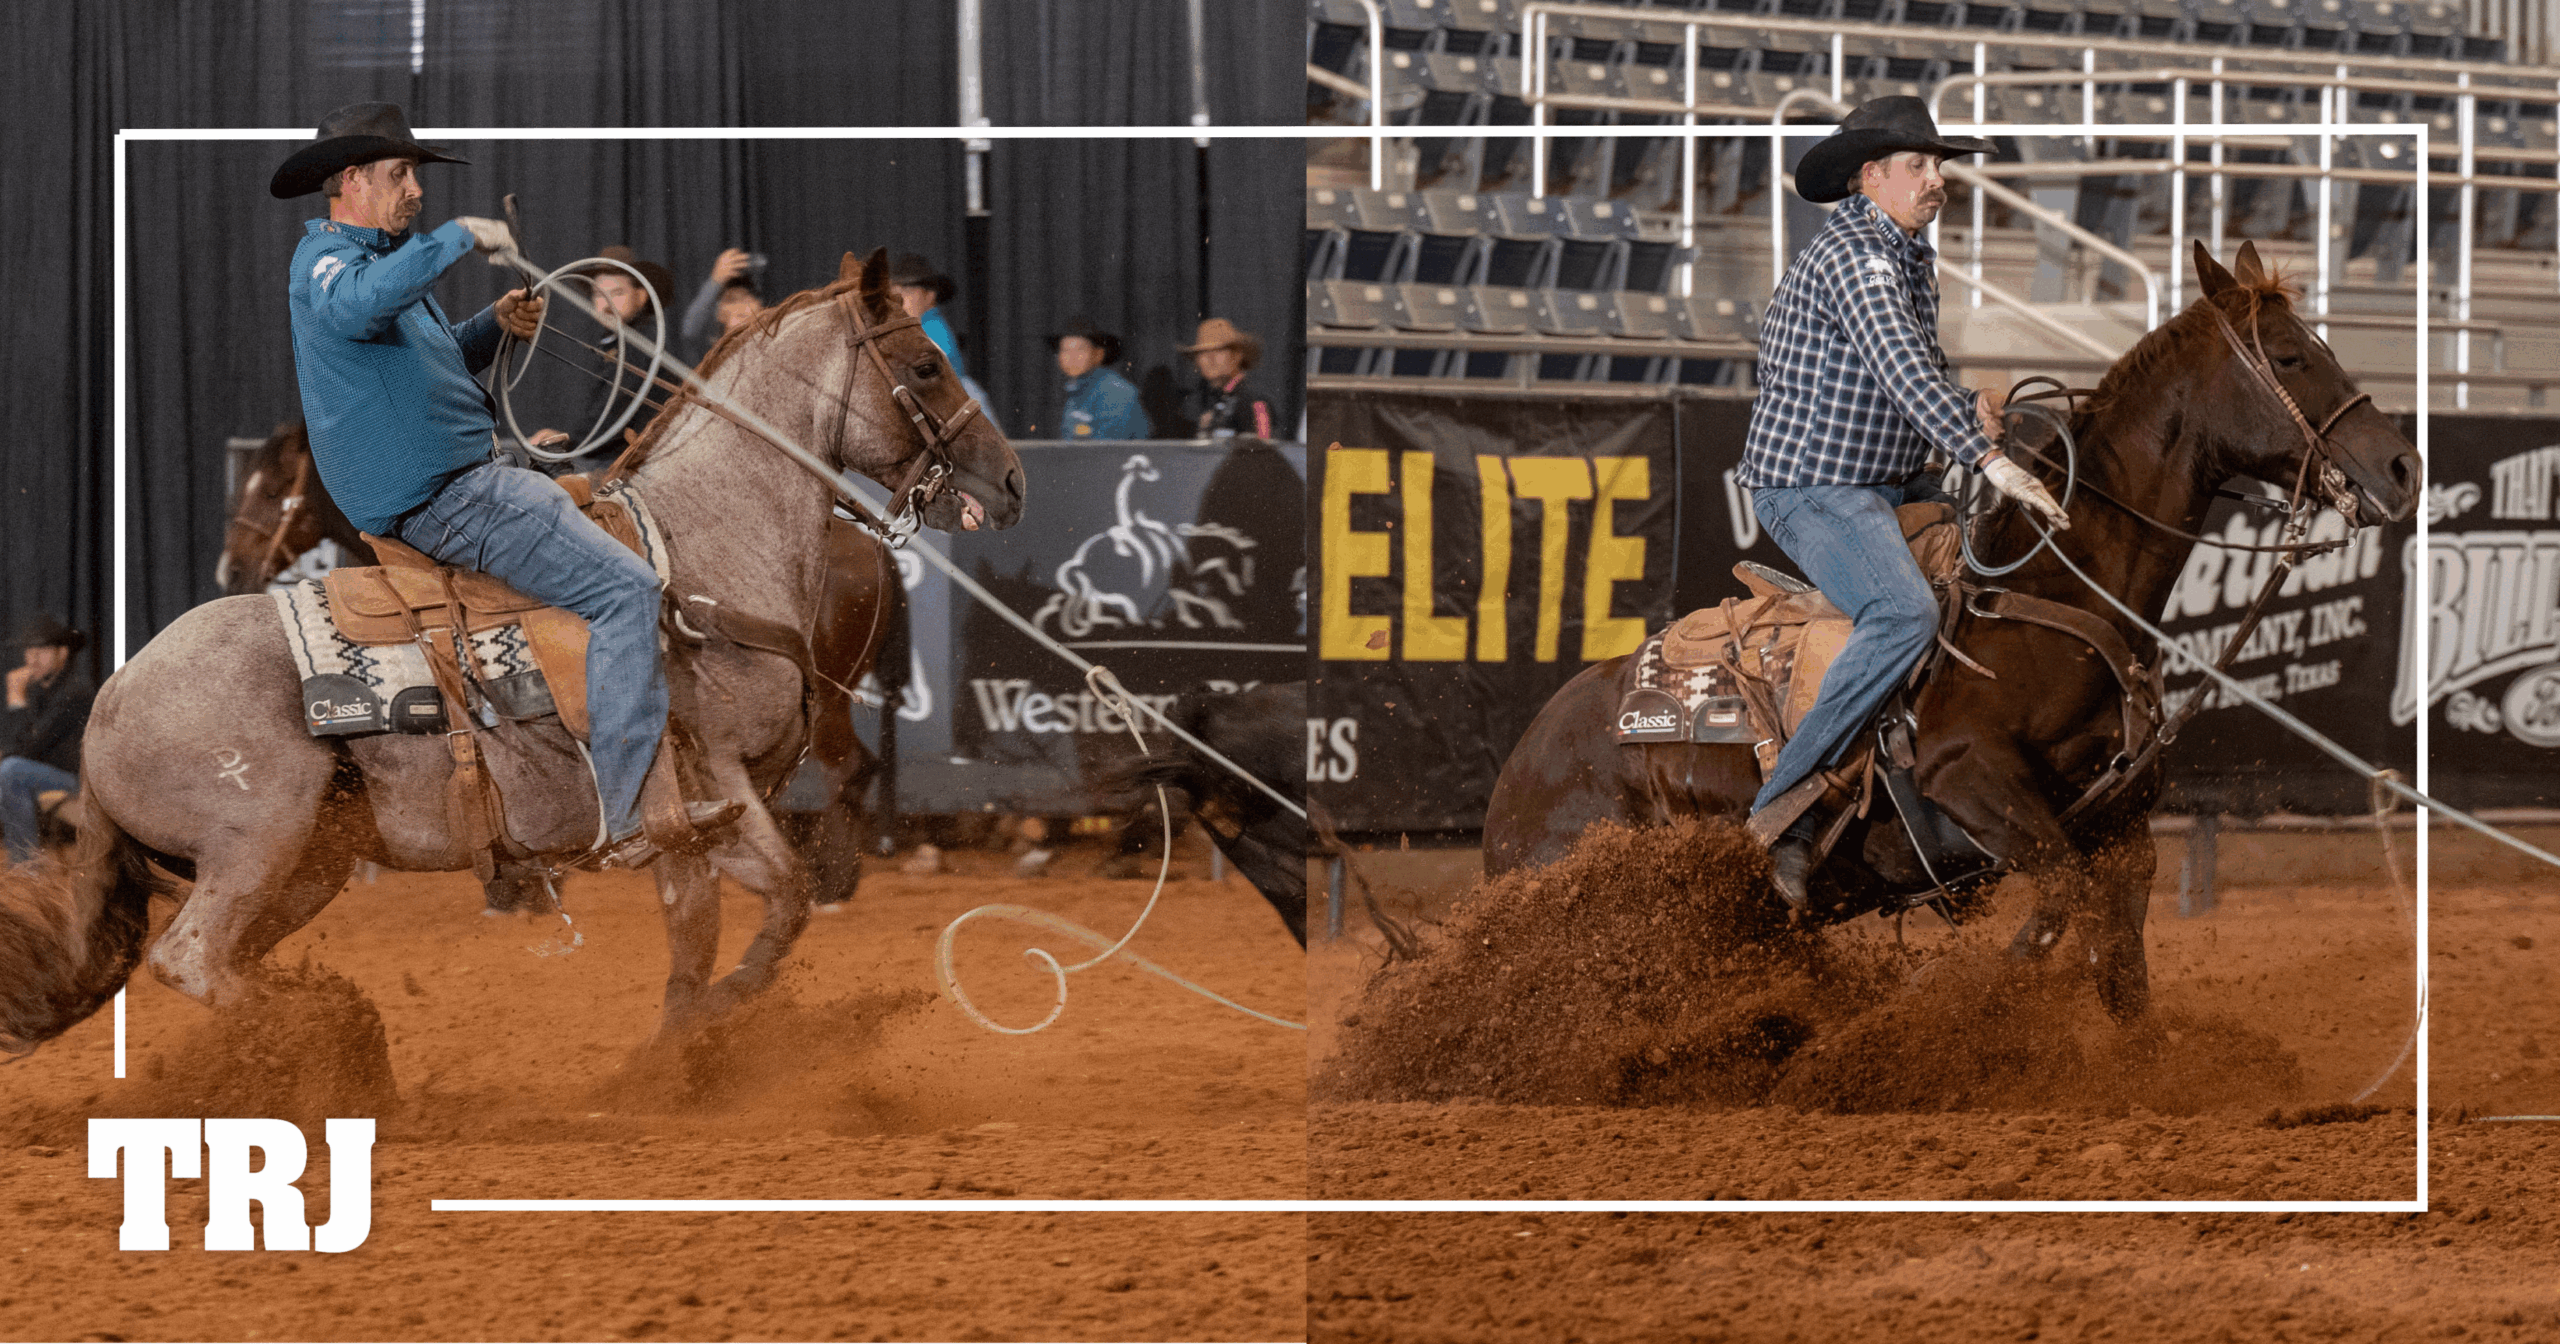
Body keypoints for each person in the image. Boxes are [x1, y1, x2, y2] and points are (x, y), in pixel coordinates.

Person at [271, 101, 736, 869]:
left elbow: (430, 361)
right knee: (626, 590)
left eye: (414, 174)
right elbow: (356, 311)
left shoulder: (378, 263)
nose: (416, 189)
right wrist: (457, 237)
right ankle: (631, 815)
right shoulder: (325, 263)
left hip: (460, 481)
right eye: (400, 173)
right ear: (352, 179)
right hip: (446, 495)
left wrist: (492, 325)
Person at [1736, 96, 2073, 910]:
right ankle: (1779, 819)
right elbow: (1899, 370)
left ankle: (1933, 807)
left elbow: (1916, 377)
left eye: (1938, 165)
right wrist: (1987, 458)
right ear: (1870, 176)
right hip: (1816, 486)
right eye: (1917, 165)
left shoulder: (1904, 256)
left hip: (1886, 482)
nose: (1935, 179)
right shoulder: (1860, 257)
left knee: (1984, 594)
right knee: (1903, 615)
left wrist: (1969, 410)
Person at [0, 614, 94, 866]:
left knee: (11, 770)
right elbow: (16, 743)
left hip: (76, 779)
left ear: (62, 653)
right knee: (9, 768)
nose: (32, 659)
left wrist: (16, 700)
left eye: (41, 651)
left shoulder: (74, 691)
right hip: (43, 771)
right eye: (29, 651)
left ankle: (24, 864)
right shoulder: (38, 690)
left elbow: (30, 748)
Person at [1048, 316, 1148, 440]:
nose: (1072, 357)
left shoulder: (1115, 392)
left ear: (1098, 354)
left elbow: (1108, 448)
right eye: (1065, 350)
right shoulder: (1076, 390)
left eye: (1080, 349)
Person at [1179, 318, 1273, 440]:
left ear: (1237, 356)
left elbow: (1263, 447)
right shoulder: (1201, 401)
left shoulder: (1255, 401)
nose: (1210, 358)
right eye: (1203, 352)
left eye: (1219, 350)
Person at [679, 246, 765, 361]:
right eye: (731, 300)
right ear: (719, 314)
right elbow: (690, 330)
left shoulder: (773, 345)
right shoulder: (713, 356)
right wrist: (716, 280)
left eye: (746, 299)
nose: (740, 307)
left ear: (760, 307)